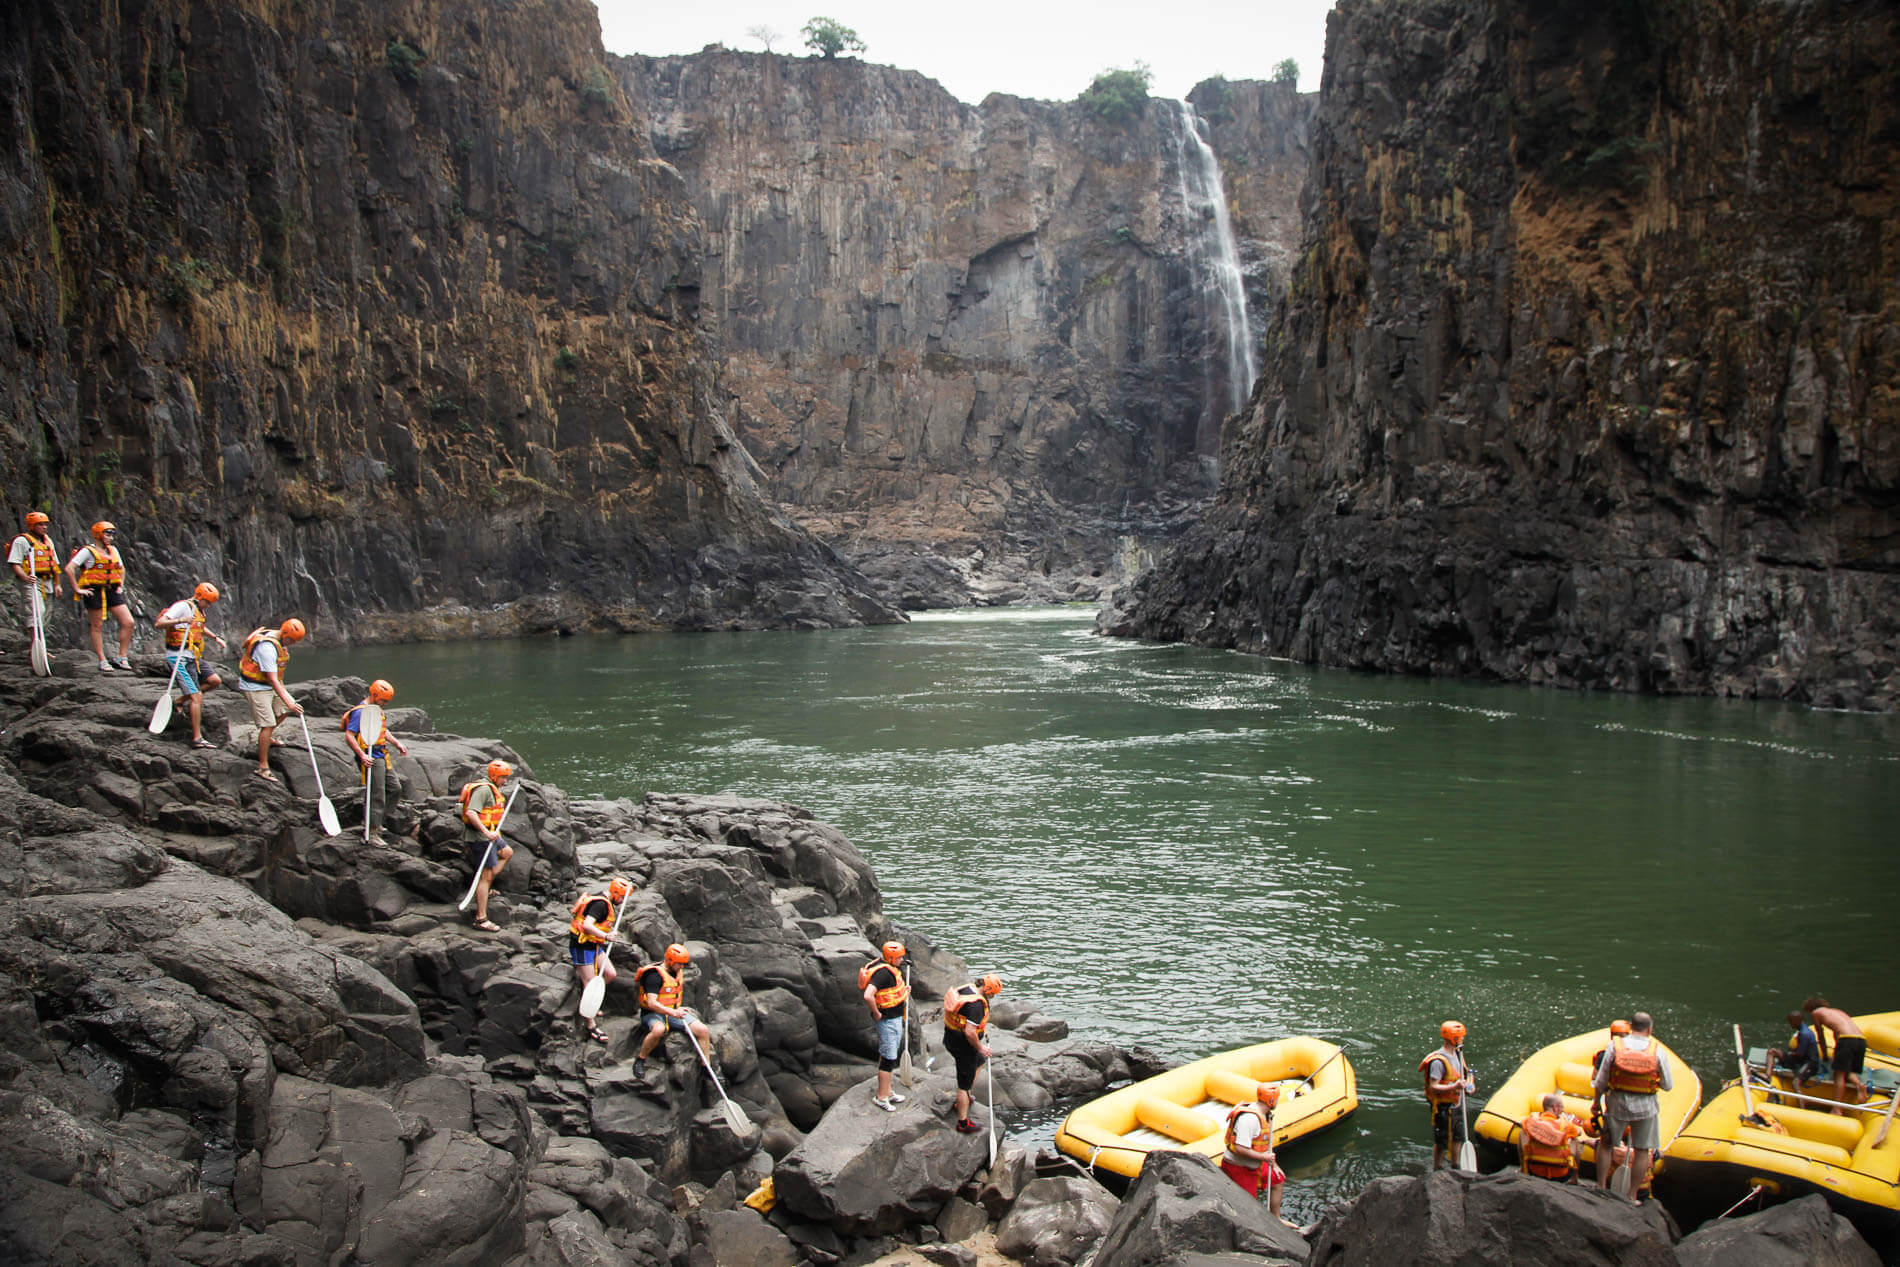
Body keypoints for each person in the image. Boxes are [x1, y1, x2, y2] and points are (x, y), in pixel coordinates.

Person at [1592, 1011, 1673, 1200]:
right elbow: (1668, 1085)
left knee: (1606, 1144)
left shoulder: (1615, 1046)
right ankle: (1631, 1195)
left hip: (1617, 1104)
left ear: (1629, 1026)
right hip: (1646, 1107)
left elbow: (1601, 1080)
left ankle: (1601, 1186)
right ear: (1650, 1029)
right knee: (1642, 1149)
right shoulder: (1657, 1050)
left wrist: (1596, 1103)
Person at [153, 583, 228, 748]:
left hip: (193, 656)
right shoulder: (182, 607)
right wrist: (181, 620)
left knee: (214, 681)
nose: (208, 605)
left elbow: (199, 627)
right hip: (179, 658)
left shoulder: (199, 610)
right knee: (197, 697)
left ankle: (179, 701)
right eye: (207, 602)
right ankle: (197, 738)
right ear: (199, 596)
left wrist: (215, 638)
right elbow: (159, 623)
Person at [236, 619, 306, 780]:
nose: (292, 643)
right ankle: (263, 766)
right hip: (256, 687)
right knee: (267, 724)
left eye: (295, 641)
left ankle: (267, 738)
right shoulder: (267, 648)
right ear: (285, 633)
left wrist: (289, 704)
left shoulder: (279, 637)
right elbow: (273, 679)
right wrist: (290, 701)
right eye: (291, 640)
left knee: (284, 710)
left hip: (269, 684)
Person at [569, 876, 633, 1044]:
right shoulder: (600, 905)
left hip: (594, 945)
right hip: (582, 946)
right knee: (589, 982)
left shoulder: (608, 901)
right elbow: (587, 925)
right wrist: (606, 936)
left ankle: (591, 999)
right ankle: (590, 1024)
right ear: (616, 893)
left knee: (610, 974)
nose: (622, 902)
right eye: (622, 898)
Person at [343, 679, 409, 844]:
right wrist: (361, 755)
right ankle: (372, 833)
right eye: (383, 700)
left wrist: (397, 743)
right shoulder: (361, 712)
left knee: (395, 788)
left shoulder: (376, 710)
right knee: (377, 793)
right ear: (374, 694)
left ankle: (377, 821)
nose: (385, 703)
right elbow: (349, 735)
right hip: (369, 756)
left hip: (381, 754)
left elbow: (382, 730)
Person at [633, 942, 712, 1079]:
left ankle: (706, 1066)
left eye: (683, 964)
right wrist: (672, 1012)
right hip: (653, 1013)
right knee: (658, 1029)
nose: (681, 967)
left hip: (672, 1011)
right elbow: (652, 1003)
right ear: (669, 960)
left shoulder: (676, 970)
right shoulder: (654, 976)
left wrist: (674, 1010)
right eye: (679, 964)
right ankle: (641, 1059)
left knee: (702, 1030)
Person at [64, 521, 135, 671]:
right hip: (94, 590)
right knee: (97, 626)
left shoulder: (113, 551)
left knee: (128, 622)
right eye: (107, 534)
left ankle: (122, 657)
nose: (110, 537)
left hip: (112, 589)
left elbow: (121, 569)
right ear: (98, 535)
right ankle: (102, 660)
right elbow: (70, 569)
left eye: (112, 534)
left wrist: (121, 585)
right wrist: (77, 589)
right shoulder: (88, 551)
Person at [1222, 1082, 1293, 1224]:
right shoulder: (1250, 1119)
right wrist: (1264, 1157)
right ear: (1271, 1100)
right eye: (1277, 1099)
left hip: (1257, 1162)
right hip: (1239, 1167)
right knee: (1248, 1206)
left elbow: (1263, 1145)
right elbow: (1241, 1148)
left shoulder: (1265, 1115)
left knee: (1277, 1179)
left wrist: (1274, 1165)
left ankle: (1276, 1218)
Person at [941, 973, 1003, 1134]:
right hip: (963, 1046)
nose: (993, 996)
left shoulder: (967, 989)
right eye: (992, 993)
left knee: (980, 1061)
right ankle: (962, 1121)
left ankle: (965, 1097)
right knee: (964, 1083)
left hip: (950, 1037)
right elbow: (969, 1032)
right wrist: (980, 1047)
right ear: (987, 988)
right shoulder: (976, 1006)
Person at [459, 759, 515, 932]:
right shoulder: (483, 790)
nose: (505, 781)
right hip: (480, 837)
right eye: (503, 777)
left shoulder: (492, 788)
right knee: (486, 876)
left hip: (490, 834)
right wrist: (486, 832)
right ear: (494, 776)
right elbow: (471, 813)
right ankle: (481, 918)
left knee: (506, 852)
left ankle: (484, 886)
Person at [861, 940, 910, 1112]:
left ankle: (888, 1091)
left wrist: (904, 992)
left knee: (888, 1053)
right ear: (890, 957)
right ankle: (881, 1097)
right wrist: (876, 1013)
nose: (902, 961)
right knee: (889, 1058)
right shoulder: (882, 973)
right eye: (899, 958)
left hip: (895, 1017)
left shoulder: (890, 968)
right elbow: (868, 996)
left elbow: (892, 991)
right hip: (887, 1020)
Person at [1420, 1020, 1475, 1170]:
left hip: (1457, 1103)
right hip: (1443, 1107)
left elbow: (1466, 1072)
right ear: (1454, 1038)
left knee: (1458, 1135)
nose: (1463, 1038)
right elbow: (1434, 1085)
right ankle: (1438, 1167)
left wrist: (1470, 1083)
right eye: (1461, 1036)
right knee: (1442, 1139)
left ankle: (1455, 1165)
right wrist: (1455, 1086)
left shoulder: (1458, 1053)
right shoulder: (1438, 1061)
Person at [1804, 996, 1869, 1112]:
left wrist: (1824, 1055)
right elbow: (1836, 1034)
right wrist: (1837, 1052)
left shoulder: (1816, 1013)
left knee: (1838, 1075)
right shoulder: (1837, 1011)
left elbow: (1820, 1036)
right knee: (1849, 1072)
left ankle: (1837, 1108)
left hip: (1847, 1040)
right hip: (1861, 1040)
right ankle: (1859, 1085)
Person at [8, 510, 62, 641]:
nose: (44, 527)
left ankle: (41, 644)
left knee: (46, 615)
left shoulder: (48, 542)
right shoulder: (22, 541)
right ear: (32, 525)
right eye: (40, 524)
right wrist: (24, 577)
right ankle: (35, 644)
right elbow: (15, 562)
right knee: (36, 612)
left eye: (45, 524)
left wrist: (58, 584)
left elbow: (55, 565)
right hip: (32, 580)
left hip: (48, 581)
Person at [1520, 1091, 1595, 1182]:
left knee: (1522, 1131)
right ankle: (1574, 1178)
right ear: (1555, 1108)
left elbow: (1521, 1123)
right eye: (1562, 1107)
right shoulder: (1566, 1125)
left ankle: (1522, 1170)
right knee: (1575, 1140)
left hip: (1535, 1171)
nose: (1563, 1110)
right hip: (1561, 1175)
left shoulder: (1530, 1120)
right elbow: (1579, 1132)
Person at [1764, 1009, 1822, 1095]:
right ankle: (1768, 1076)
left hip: (1809, 1064)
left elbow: (1800, 1054)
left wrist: (1789, 1054)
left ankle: (1802, 1106)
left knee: (1795, 1083)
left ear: (1797, 1021)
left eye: (1791, 1021)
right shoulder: (1801, 1030)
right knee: (1772, 1051)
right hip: (1800, 1059)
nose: (1789, 1023)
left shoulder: (1804, 1034)